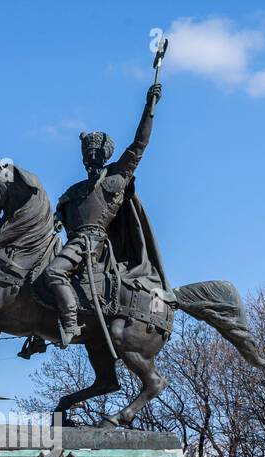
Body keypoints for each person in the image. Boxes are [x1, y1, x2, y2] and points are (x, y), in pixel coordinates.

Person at [42, 80, 165, 347]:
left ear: (104, 154)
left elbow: (139, 144)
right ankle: (38, 334)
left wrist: (149, 108)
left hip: (92, 244)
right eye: (87, 153)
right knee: (36, 277)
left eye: (94, 153)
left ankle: (71, 324)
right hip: (70, 242)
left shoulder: (116, 178)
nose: (90, 158)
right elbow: (58, 219)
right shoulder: (75, 190)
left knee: (53, 273)